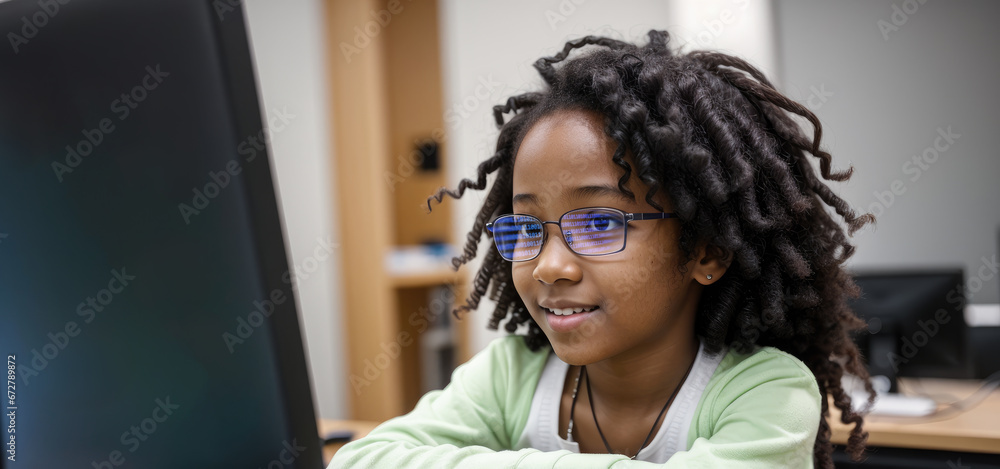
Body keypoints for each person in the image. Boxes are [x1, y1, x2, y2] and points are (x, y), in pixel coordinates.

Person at [329, 29, 874, 469]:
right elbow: (365, 458)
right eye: (526, 227)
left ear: (706, 252)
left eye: (596, 224)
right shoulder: (510, 376)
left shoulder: (766, 392)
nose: (550, 266)